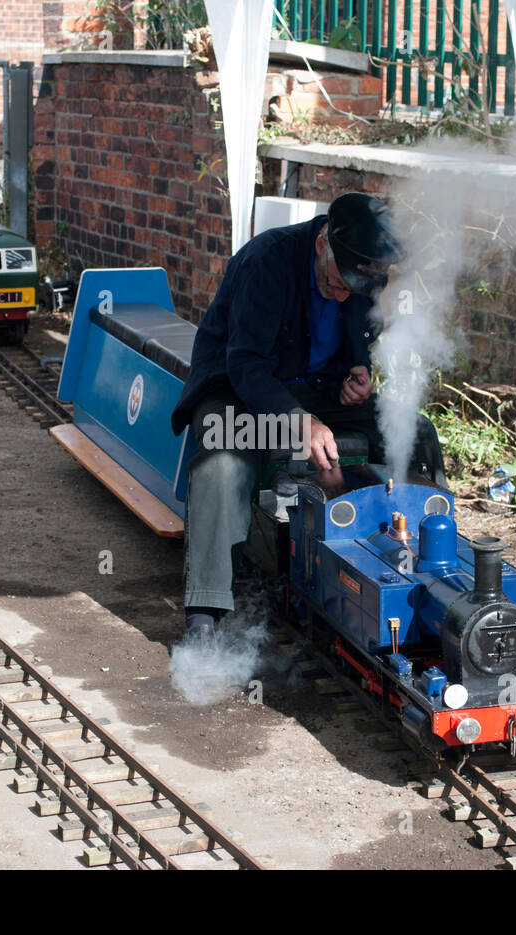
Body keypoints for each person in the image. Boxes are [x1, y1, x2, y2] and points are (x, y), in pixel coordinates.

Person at [171, 192, 445, 640]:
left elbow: (356, 333)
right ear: (322, 244)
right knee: (222, 462)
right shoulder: (266, 262)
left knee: (417, 432)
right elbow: (247, 366)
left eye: (352, 289)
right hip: (240, 394)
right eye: (337, 283)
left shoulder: (362, 271)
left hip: (317, 392)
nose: (343, 294)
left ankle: (420, 561)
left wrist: (357, 373)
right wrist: (299, 421)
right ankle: (205, 612)